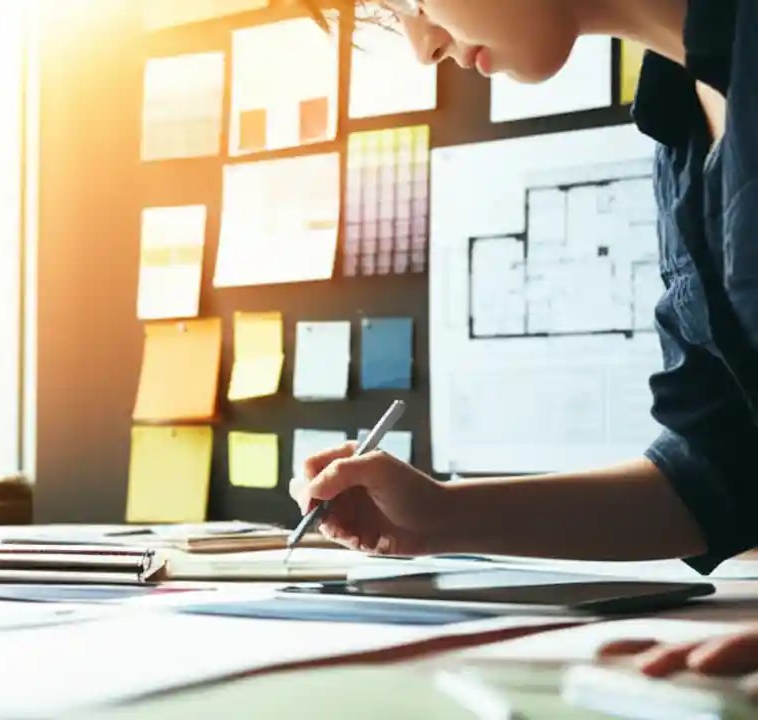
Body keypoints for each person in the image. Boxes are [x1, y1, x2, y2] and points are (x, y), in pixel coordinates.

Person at [291, 0, 758, 682]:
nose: (422, 49)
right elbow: (718, 475)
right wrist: (440, 516)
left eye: (409, 3)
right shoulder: (680, 124)